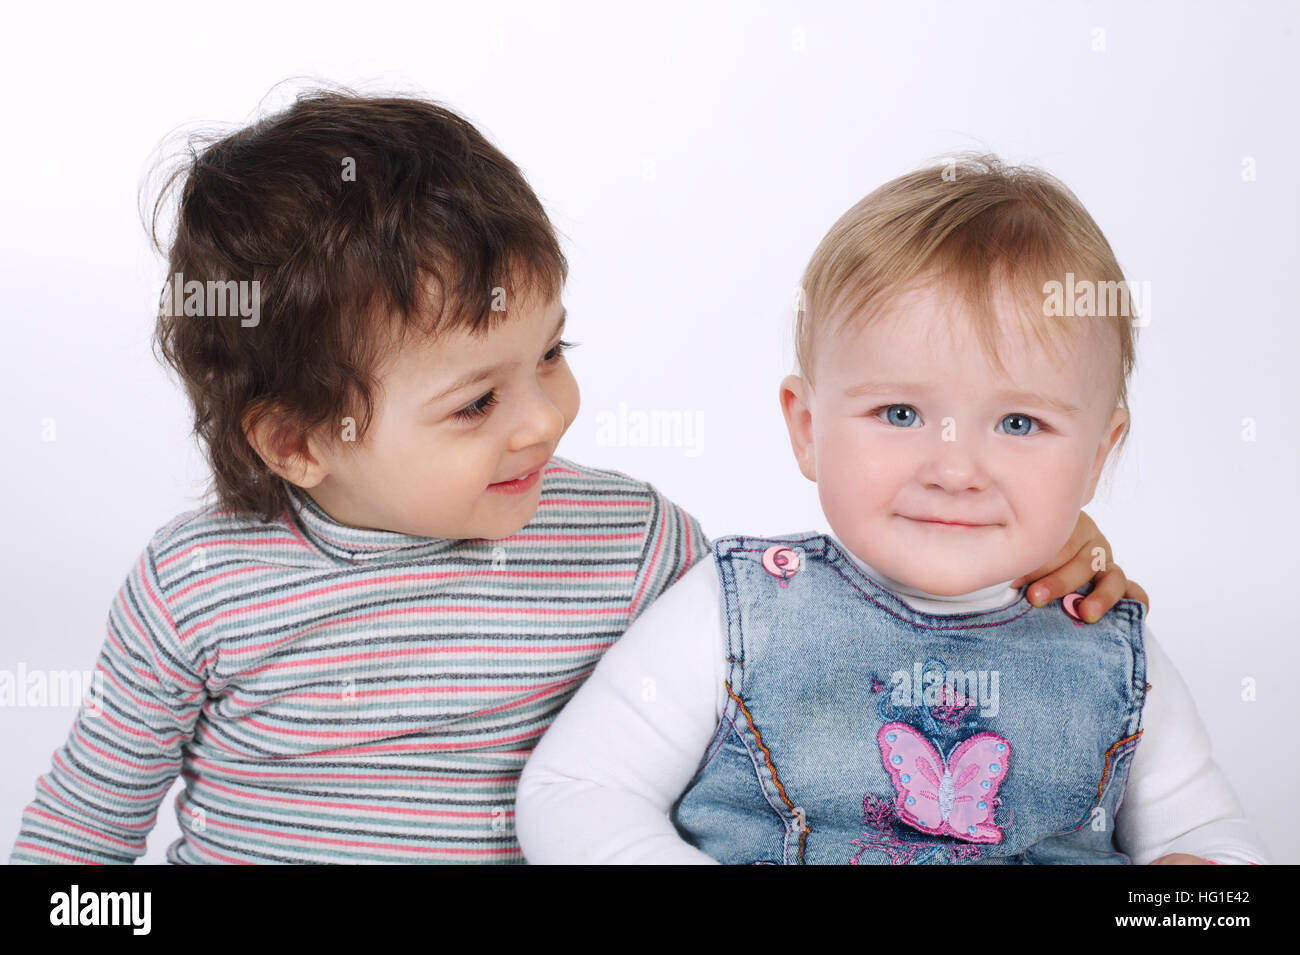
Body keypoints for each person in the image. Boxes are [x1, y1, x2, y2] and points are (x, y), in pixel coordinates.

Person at [9, 98, 1142, 864]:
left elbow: (823, 620)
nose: (544, 416)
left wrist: (1028, 545)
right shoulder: (196, 582)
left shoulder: (633, 544)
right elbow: (82, 827)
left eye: (552, 354)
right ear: (300, 441)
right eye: (475, 401)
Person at [514, 155, 1267, 865]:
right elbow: (577, 790)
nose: (954, 469)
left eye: (1018, 424)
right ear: (808, 428)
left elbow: (1210, 835)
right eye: (901, 412)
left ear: (1099, 453)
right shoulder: (737, 610)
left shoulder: (1114, 655)